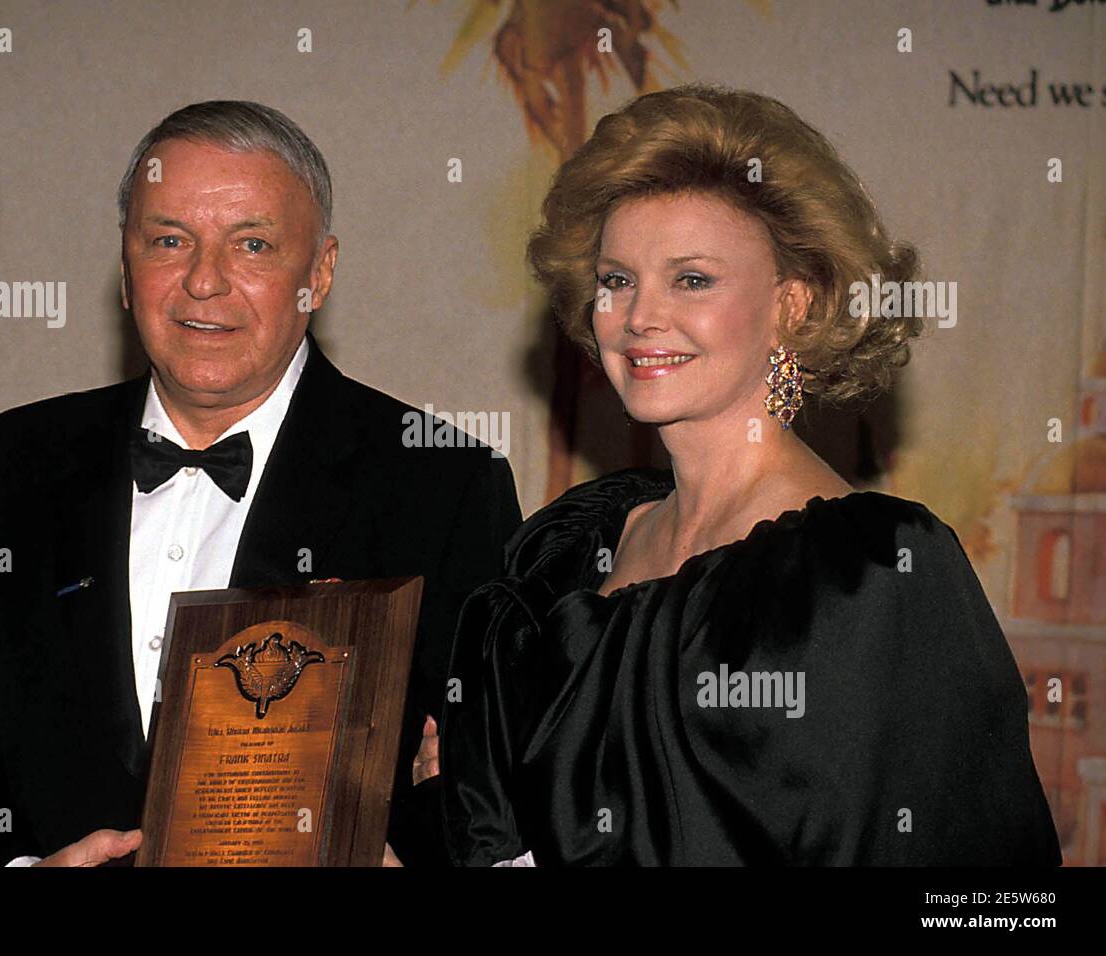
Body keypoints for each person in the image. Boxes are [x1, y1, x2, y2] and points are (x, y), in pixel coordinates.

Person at [0, 100, 520, 867]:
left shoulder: (440, 481)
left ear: (318, 272)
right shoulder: (19, 458)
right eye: (169, 240)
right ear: (124, 265)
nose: (203, 281)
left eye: (252, 244)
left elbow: (484, 785)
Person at [439, 84, 1062, 866]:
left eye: (692, 279)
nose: (639, 316)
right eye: (617, 279)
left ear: (793, 307)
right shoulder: (566, 552)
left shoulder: (868, 575)